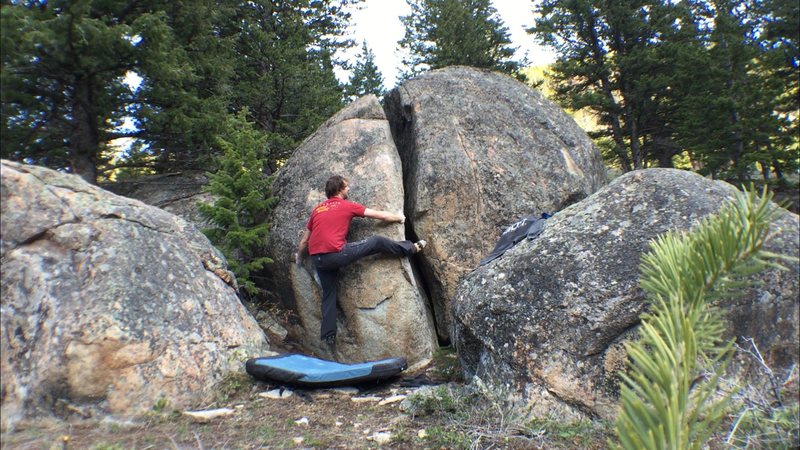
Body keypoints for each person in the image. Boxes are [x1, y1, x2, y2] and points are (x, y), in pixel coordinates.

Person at [294, 175, 426, 352]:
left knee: (329, 294)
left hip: (318, 259)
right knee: (376, 241)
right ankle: (410, 248)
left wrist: (299, 258)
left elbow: (304, 242)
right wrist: (399, 218)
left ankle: (329, 336)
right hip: (337, 254)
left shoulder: (317, 210)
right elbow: (377, 215)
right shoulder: (347, 206)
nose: (349, 189)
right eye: (346, 186)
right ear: (339, 189)